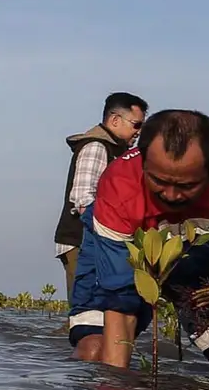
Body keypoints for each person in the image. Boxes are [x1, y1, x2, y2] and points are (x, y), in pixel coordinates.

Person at [69, 108, 209, 384]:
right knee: (95, 352)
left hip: (207, 264)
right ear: (143, 164)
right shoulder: (118, 189)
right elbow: (121, 301)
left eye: (187, 186)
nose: (171, 195)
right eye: (159, 181)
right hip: (130, 262)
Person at [55, 92, 145, 293]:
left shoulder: (119, 152)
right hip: (81, 241)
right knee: (86, 310)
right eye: (136, 124)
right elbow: (82, 198)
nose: (139, 132)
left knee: (99, 311)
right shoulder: (96, 146)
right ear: (115, 120)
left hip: (100, 242)